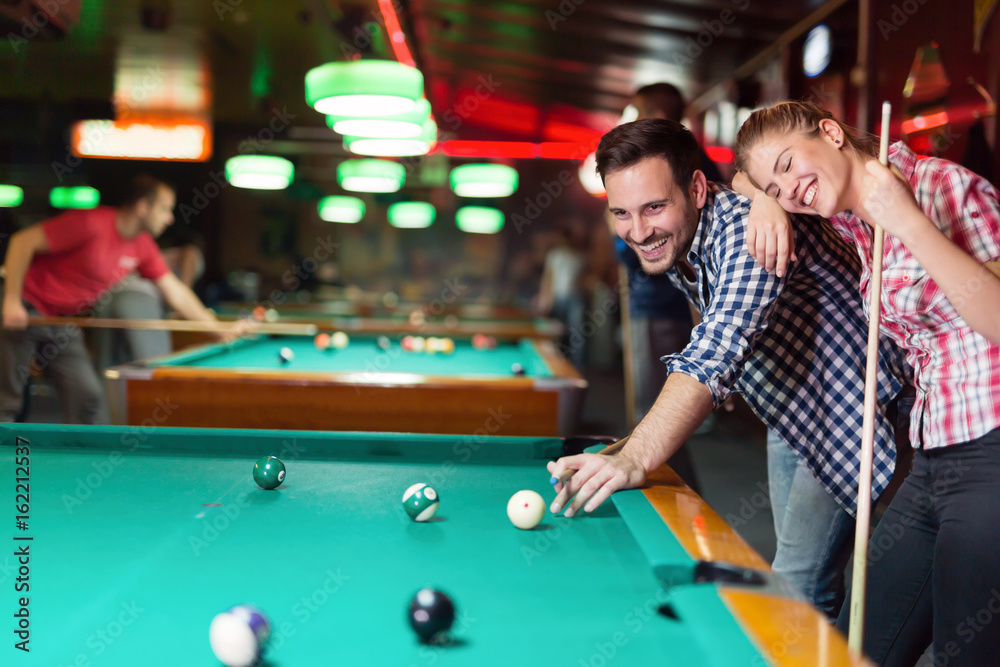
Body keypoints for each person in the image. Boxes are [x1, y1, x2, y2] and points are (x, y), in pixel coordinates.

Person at [546, 118, 908, 619]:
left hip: (853, 401)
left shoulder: (742, 233)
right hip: (796, 406)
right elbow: (718, 309)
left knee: (799, 585)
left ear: (695, 189)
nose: (639, 230)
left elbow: (716, 347)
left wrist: (633, 458)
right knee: (801, 577)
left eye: (653, 207)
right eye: (622, 214)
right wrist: (622, 449)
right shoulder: (691, 225)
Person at [734, 100, 1000, 665]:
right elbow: (734, 176)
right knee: (861, 646)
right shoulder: (847, 218)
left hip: (991, 447)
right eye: (775, 186)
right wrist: (761, 197)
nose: (789, 189)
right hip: (932, 453)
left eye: (788, 165)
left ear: (831, 132)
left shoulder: (943, 186)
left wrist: (907, 220)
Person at [1, 175, 220, 423]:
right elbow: (21, 243)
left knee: (88, 397)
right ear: (142, 207)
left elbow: (175, 291)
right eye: (165, 209)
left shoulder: (143, 246)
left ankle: (79, 458)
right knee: (7, 402)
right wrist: (11, 301)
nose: (170, 218)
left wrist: (217, 331)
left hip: (61, 322)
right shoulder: (90, 223)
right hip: (24, 308)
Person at [615, 83, 723, 491]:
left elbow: (639, 251)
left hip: (661, 304)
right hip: (677, 303)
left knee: (652, 412)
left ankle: (676, 500)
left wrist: (624, 245)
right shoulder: (698, 159)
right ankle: (677, 495)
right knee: (657, 409)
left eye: (639, 113)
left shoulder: (675, 165)